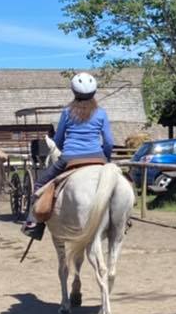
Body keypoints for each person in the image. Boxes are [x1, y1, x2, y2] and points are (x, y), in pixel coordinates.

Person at [21, 72, 114, 239]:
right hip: (98, 158)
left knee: (40, 184)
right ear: (94, 92)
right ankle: (123, 220)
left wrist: (65, 150)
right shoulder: (101, 113)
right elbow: (108, 141)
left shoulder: (67, 112)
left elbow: (58, 138)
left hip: (70, 157)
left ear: (74, 92)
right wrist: (105, 157)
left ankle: (34, 223)